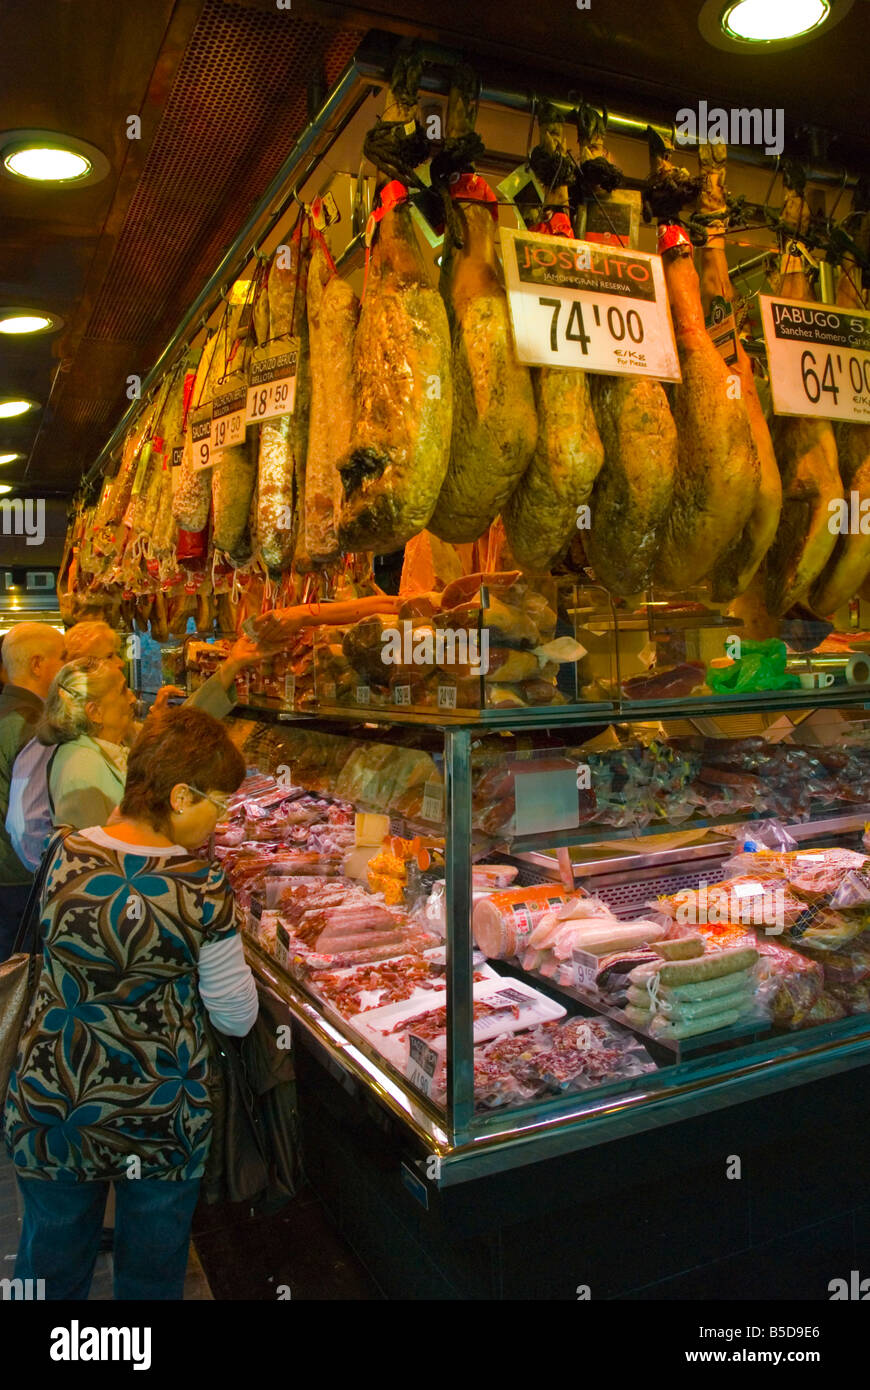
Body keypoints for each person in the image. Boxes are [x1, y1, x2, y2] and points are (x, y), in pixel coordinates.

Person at [4, 706, 258, 1301]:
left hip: (53, 1100)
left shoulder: (63, 852)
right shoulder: (202, 887)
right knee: (151, 1274)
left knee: (48, 1264)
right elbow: (236, 1016)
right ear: (178, 795)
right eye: (217, 805)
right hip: (159, 1113)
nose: (219, 822)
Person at [0, 623, 65, 959]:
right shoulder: (33, 723)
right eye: (63, 658)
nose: (68, 668)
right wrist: (45, 871)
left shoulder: (8, 712)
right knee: (18, 978)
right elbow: (26, 823)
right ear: (38, 664)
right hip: (16, 882)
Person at [62, 619, 263, 725]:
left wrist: (233, 663)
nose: (120, 663)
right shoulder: (84, 759)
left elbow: (174, 734)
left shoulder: (113, 729)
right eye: (109, 656)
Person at [37, 657, 138, 830]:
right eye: (122, 690)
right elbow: (91, 850)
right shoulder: (82, 767)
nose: (132, 698)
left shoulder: (101, 751)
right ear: (95, 712)